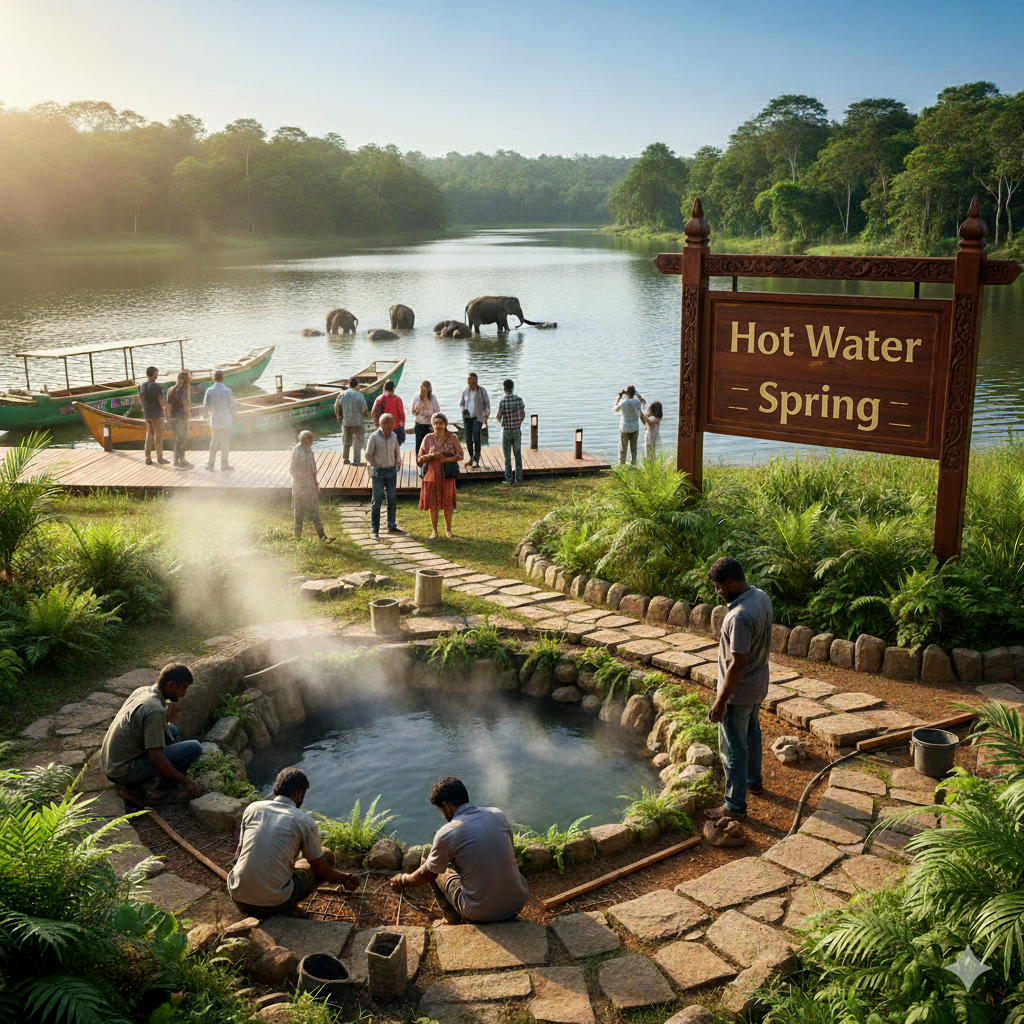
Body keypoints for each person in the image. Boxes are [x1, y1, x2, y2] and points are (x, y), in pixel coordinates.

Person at [389, 776, 528, 925]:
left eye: (442, 809)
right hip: (517, 902)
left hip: (479, 912)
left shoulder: (448, 832)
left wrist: (403, 880)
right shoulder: (498, 815)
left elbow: (427, 874)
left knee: (433, 866)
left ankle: (452, 919)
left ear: (446, 805)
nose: (444, 814)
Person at [227, 768, 359, 919]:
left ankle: (264, 900)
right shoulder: (303, 821)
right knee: (325, 856)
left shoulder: (252, 809)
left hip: (237, 895)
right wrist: (344, 877)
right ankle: (288, 906)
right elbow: (321, 869)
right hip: (274, 903)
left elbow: (240, 852)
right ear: (298, 793)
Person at [706, 557, 773, 822]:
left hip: (738, 693)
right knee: (752, 735)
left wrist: (721, 700)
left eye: (718, 587)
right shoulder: (762, 598)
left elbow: (737, 664)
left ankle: (734, 807)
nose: (717, 592)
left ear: (731, 583)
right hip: (758, 685)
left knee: (733, 748)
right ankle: (753, 781)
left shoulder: (739, 617)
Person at [98, 663, 205, 806]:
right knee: (194, 747)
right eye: (183, 688)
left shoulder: (142, 691)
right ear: (171, 685)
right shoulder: (155, 710)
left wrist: (165, 719)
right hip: (122, 770)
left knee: (172, 730)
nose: (184, 693)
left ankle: (147, 782)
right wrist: (186, 783)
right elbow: (156, 759)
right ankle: (157, 792)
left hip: (110, 762)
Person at [418, 412, 464, 540]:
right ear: (432, 425)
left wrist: (444, 459)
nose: (438, 426)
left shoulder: (453, 437)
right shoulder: (428, 438)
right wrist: (431, 456)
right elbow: (419, 458)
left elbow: (460, 455)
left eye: (441, 423)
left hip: (446, 474)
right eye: (436, 423)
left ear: (445, 424)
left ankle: (448, 530)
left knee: (447, 504)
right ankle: (434, 531)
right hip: (431, 475)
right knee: (433, 504)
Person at [365, 412, 405, 541]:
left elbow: (396, 450)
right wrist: (376, 464)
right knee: (377, 500)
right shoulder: (374, 437)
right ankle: (375, 530)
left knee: (392, 498)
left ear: (393, 424)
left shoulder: (394, 435)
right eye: (385, 423)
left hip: (391, 471)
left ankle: (391, 525)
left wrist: (398, 460)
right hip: (378, 472)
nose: (387, 426)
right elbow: (368, 454)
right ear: (380, 424)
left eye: (390, 423)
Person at [290, 430, 331, 541]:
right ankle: (297, 536)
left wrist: (316, 484)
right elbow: (292, 470)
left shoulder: (309, 450)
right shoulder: (297, 451)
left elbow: (313, 469)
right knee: (299, 512)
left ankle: (322, 536)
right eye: (306, 439)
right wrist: (301, 481)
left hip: (310, 486)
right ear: (302, 439)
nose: (308, 441)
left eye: (310, 439)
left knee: (314, 511)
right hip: (300, 487)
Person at [203, 369, 238, 471]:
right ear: (223, 378)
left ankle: (210, 464)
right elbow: (232, 406)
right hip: (226, 420)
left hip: (215, 420)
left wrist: (206, 415)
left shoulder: (209, 390)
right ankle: (224, 464)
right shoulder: (228, 391)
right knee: (225, 442)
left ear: (214, 378)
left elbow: (205, 407)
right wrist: (235, 416)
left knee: (214, 442)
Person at [495, 378, 526, 484]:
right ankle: (519, 478)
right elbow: (523, 414)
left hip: (506, 431)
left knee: (507, 456)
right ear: (512, 388)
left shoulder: (503, 401)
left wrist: (502, 423)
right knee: (517, 454)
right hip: (516, 430)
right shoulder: (519, 399)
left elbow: (499, 416)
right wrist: (518, 423)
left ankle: (509, 478)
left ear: (504, 389)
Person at [138, 365, 169, 466]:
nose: (156, 376)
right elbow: (161, 400)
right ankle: (160, 458)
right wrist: (166, 408)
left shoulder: (141, 386)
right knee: (158, 435)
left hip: (147, 413)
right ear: (151, 375)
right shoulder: (156, 386)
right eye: (156, 374)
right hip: (157, 413)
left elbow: (140, 399)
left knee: (149, 433)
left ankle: (148, 457)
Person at [459, 373, 490, 469]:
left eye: (472, 381)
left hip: (478, 417)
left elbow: (487, 404)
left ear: (476, 381)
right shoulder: (465, 390)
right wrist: (463, 410)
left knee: (476, 436)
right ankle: (471, 457)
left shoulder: (482, 390)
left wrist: (486, 416)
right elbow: (462, 403)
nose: (470, 383)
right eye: (469, 381)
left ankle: (477, 459)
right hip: (467, 417)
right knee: (468, 437)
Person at [335, 377, 369, 466]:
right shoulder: (359, 395)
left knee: (346, 440)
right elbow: (365, 409)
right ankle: (356, 461)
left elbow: (337, 406)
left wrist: (339, 417)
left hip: (346, 422)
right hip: (358, 422)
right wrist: (364, 415)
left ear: (349, 384)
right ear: (357, 384)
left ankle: (345, 459)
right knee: (358, 440)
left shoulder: (342, 395)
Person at [166, 370, 193, 470]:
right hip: (181, 417)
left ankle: (177, 460)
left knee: (177, 439)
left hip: (173, 417)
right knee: (183, 438)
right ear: (187, 381)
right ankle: (181, 460)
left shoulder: (170, 390)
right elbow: (186, 404)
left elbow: (168, 406)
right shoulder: (185, 389)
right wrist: (188, 413)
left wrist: (168, 418)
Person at [614, 385, 645, 465]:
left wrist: (618, 398)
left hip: (624, 428)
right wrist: (638, 395)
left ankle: (622, 466)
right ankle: (634, 465)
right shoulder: (637, 402)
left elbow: (615, 409)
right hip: (635, 428)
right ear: (634, 393)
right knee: (634, 449)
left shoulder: (623, 402)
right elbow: (643, 404)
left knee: (623, 449)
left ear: (626, 393)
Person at [371, 379, 406, 447]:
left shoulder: (379, 399)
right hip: (397, 429)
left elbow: (373, 413)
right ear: (393, 388)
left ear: (384, 388)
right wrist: (402, 427)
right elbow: (402, 416)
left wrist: (378, 425)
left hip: (384, 428)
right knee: (396, 450)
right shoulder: (398, 399)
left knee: (386, 450)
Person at [411, 380, 441, 456]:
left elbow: (437, 412)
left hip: (429, 425)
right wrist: (420, 405)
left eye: (426, 390)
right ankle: (419, 460)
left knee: (430, 444)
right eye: (423, 390)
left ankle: (429, 460)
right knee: (419, 443)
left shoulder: (433, 398)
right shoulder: (417, 397)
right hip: (419, 423)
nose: (424, 392)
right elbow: (413, 412)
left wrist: (434, 424)